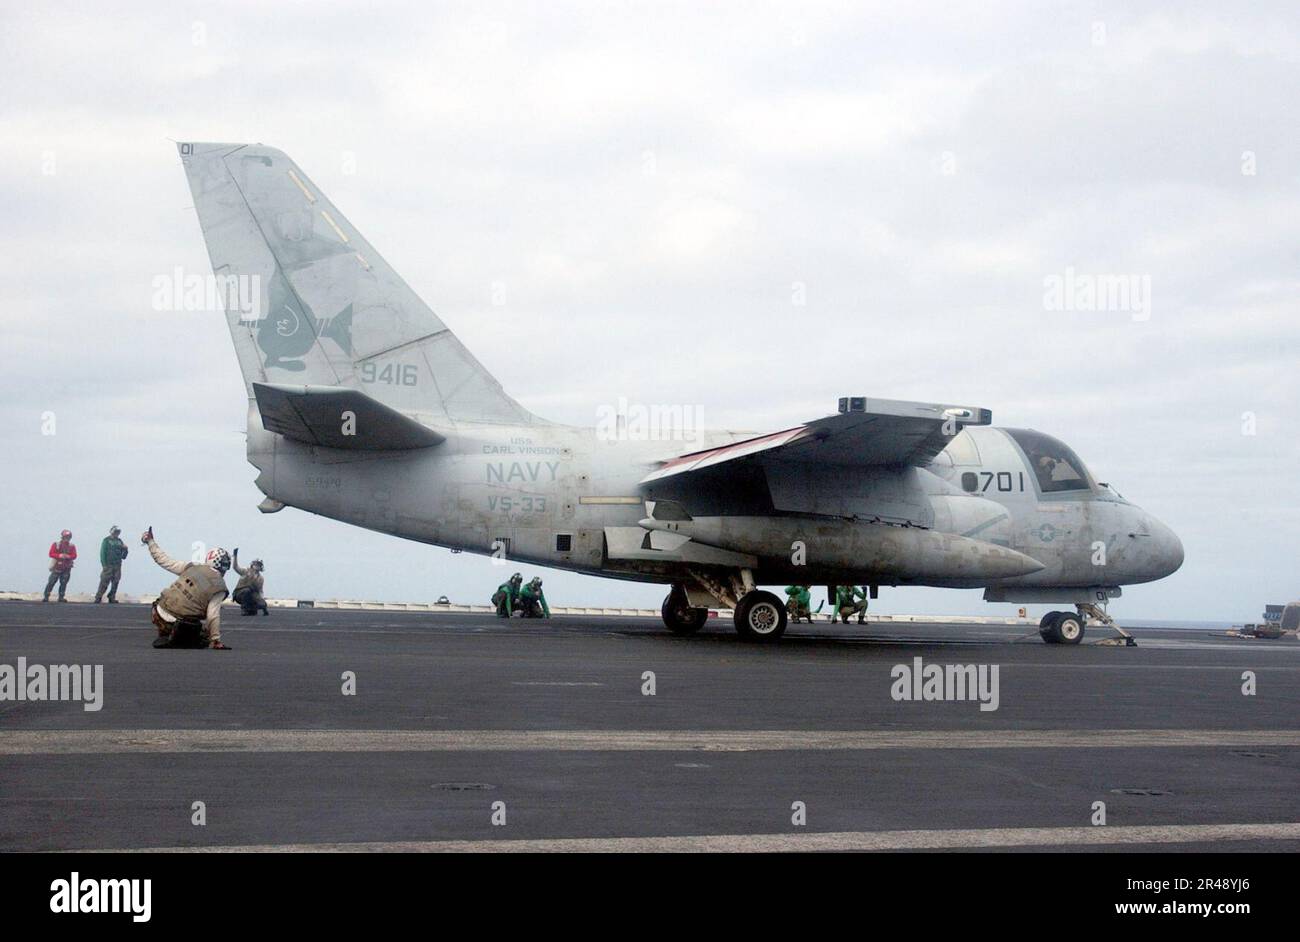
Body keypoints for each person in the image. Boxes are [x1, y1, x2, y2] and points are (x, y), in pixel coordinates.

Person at [142, 528, 232, 650]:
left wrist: (151, 542)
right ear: (225, 566)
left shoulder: (192, 567)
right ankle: (177, 636)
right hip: (178, 622)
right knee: (203, 636)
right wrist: (215, 640)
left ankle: (166, 632)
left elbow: (164, 561)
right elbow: (213, 615)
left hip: (157, 611)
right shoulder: (219, 587)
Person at [94, 526, 129, 603]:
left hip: (117, 565)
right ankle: (98, 597)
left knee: (115, 582)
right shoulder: (106, 541)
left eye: (118, 532)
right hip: (108, 565)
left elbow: (124, 556)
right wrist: (104, 565)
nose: (117, 533)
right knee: (104, 581)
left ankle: (111, 597)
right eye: (115, 531)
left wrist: (126, 549)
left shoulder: (120, 541)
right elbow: (102, 553)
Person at [231, 549, 269, 616]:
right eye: (256, 564)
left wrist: (262, 602)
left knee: (260, 605)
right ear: (252, 564)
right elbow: (235, 567)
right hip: (240, 593)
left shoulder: (260, 578)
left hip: (251, 595)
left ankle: (252, 608)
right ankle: (244, 609)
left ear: (261, 567)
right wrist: (235, 556)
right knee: (247, 590)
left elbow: (260, 591)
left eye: (259, 565)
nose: (257, 566)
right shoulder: (245, 571)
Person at [43, 530, 77, 602]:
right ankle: (46, 596)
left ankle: (61, 597)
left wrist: (68, 556)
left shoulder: (72, 546)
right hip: (57, 567)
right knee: (51, 582)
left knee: (64, 583)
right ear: (62, 537)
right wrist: (59, 555)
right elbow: (51, 553)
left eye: (68, 537)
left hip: (66, 567)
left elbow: (74, 555)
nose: (67, 538)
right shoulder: (56, 544)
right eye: (66, 537)